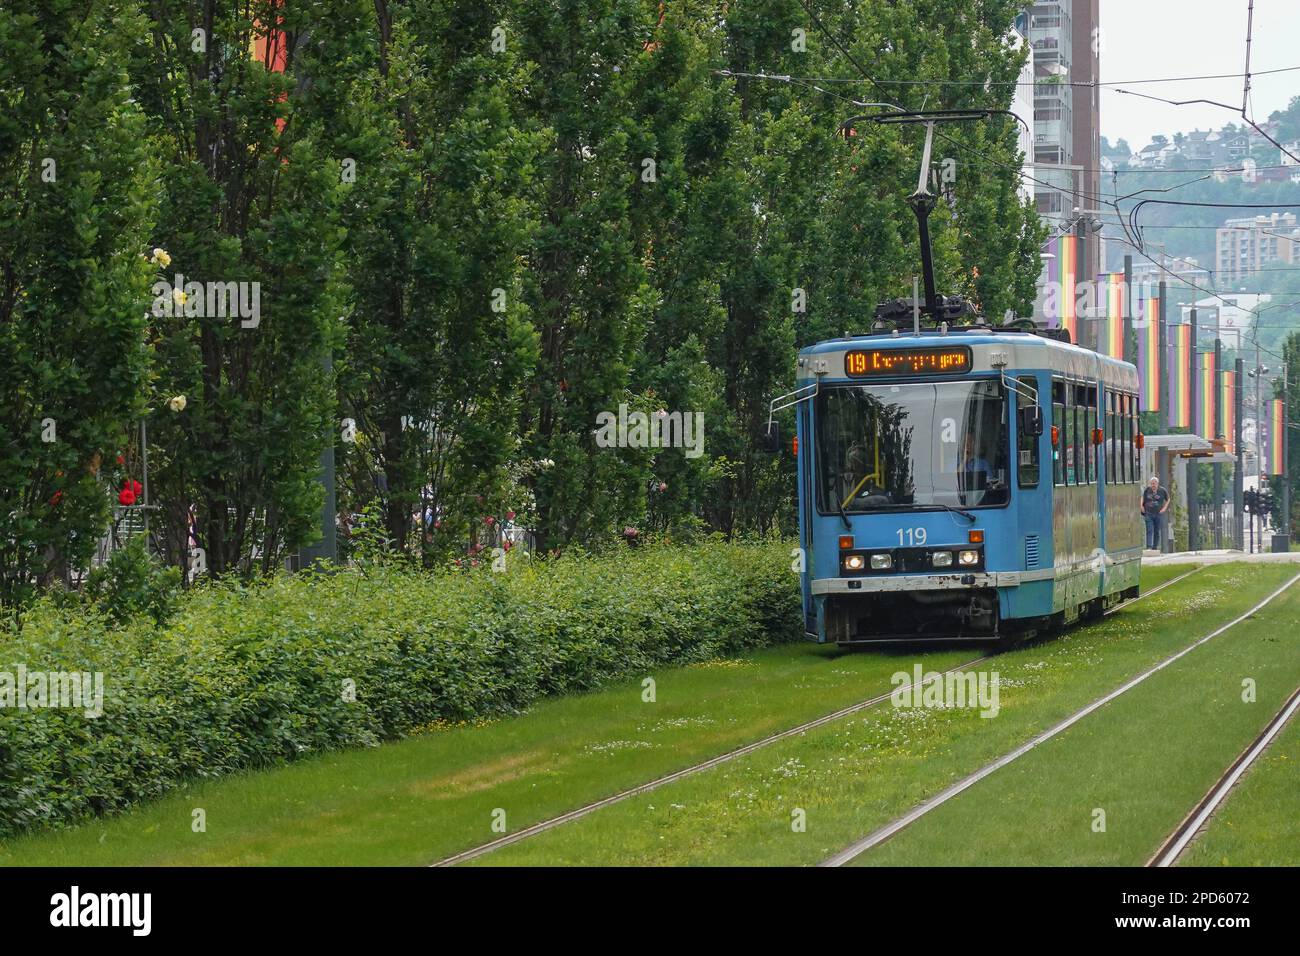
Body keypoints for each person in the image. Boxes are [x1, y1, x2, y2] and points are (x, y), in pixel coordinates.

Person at [1141, 476, 1170, 550]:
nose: (1153, 485)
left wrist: (1164, 508)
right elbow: (1142, 498)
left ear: (1157, 484)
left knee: (1156, 531)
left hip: (1158, 513)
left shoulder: (1162, 490)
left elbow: (1168, 499)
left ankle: (1155, 547)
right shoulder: (1147, 490)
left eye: (1154, 484)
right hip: (1148, 513)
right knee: (1149, 529)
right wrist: (1141, 506)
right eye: (1151, 484)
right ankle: (1149, 546)